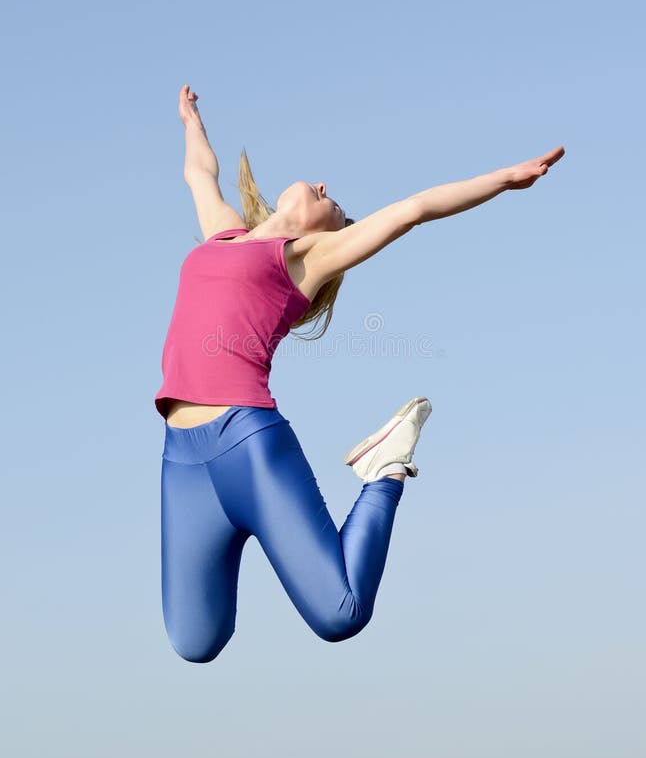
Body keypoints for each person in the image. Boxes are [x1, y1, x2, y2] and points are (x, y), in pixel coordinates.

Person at [155, 84, 565, 662]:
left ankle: (385, 468)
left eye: (335, 203)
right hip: (181, 460)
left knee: (340, 611)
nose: (324, 187)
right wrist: (190, 118)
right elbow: (201, 174)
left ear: (326, 232)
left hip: (247, 446)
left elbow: (414, 210)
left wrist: (503, 179)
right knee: (195, 642)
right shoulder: (225, 234)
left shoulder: (303, 259)